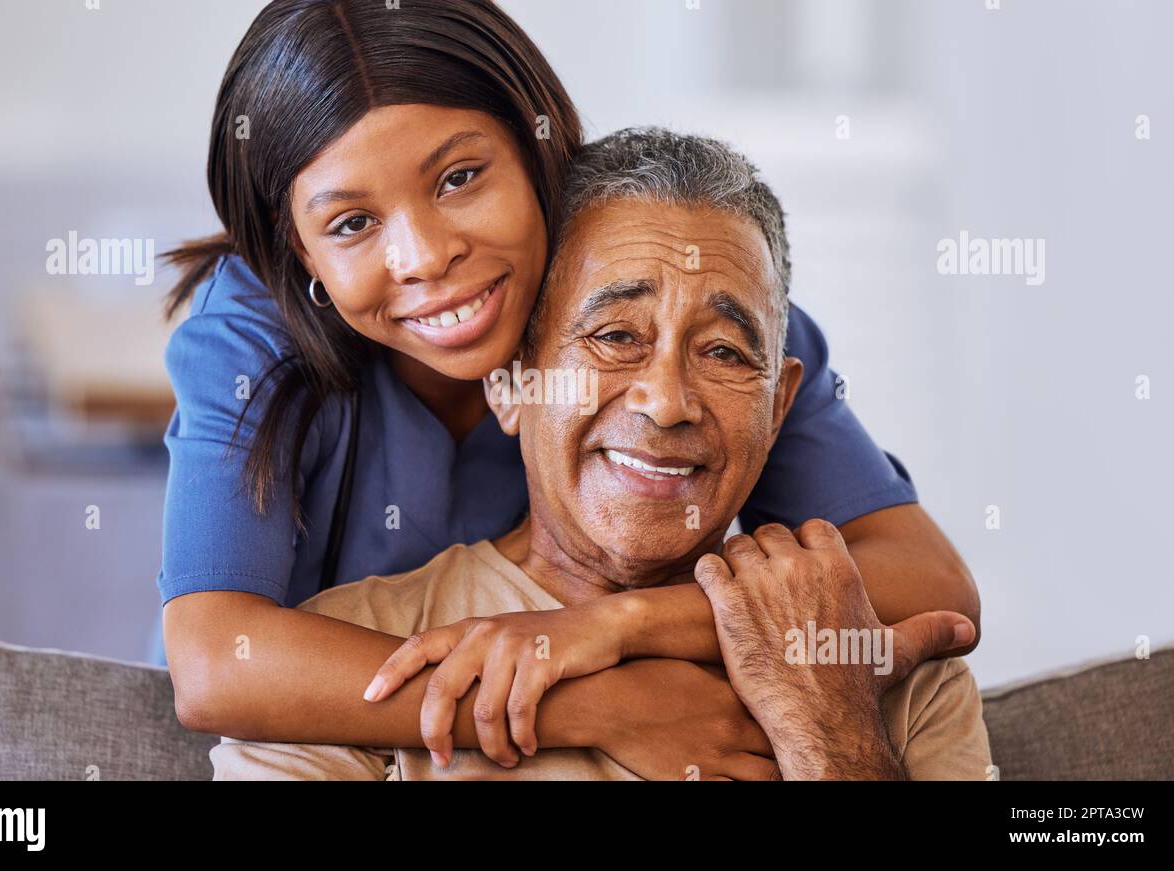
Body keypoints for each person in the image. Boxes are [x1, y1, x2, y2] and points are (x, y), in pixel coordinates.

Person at [159, 0, 980, 771]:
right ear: (299, 252)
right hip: (319, 716)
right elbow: (209, 662)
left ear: (537, 150)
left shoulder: (690, 310)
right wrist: (600, 701)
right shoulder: (253, 336)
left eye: (458, 178)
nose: (424, 256)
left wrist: (617, 625)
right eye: (351, 223)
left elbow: (930, 579)